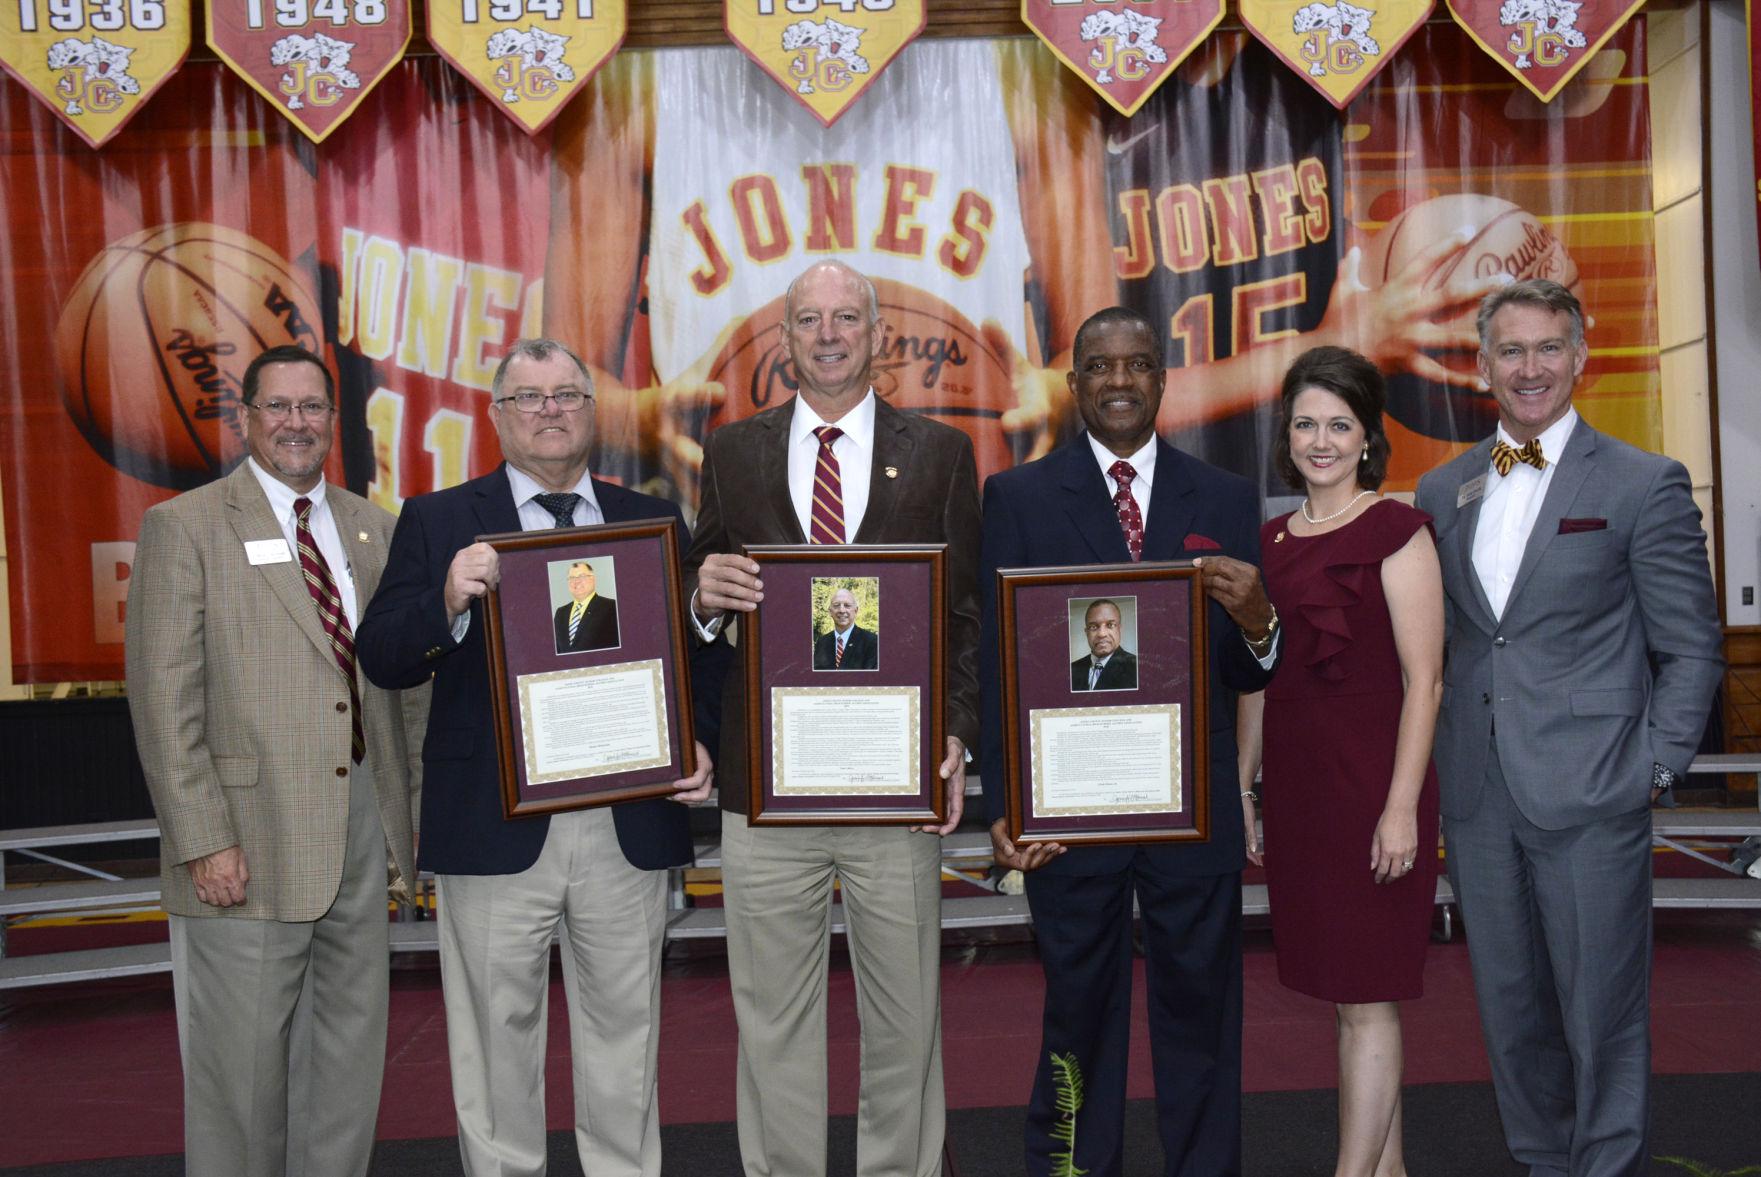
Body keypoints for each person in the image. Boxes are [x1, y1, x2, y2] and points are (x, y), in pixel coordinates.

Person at [355, 338, 715, 1177]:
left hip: (626, 820)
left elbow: (694, 658)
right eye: (529, 396)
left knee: (626, 1034)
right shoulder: (438, 519)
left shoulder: (650, 519)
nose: (549, 411)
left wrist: (697, 739)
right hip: (493, 824)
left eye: (566, 395)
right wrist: (447, 598)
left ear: (592, 411)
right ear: (497, 414)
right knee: (494, 1042)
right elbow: (382, 654)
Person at [1414, 279, 1723, 1177]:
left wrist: (1655, 767)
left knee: (1601, 1012)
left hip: (1594, 790)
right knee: (1509, 1013)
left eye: (1548, 347)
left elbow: (1691, 647)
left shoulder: (1641, 481)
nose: (1530, 367)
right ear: (1481, 367)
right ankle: (1543, 1162)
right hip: (1478, 795)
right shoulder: (1442, 488)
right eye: (1509, 350)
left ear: (1579, 356)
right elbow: (1451, 641)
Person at [684, 259, 978, 1177]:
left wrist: (955, 733)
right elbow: (699, 587)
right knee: (771, 1018)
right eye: (808, 319)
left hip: (895, 783)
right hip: (766, 788)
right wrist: (702, 596)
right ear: (783, 338)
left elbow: (963, 615)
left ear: (877, 333)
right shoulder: (731, 450)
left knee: (905, 1016)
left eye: (845, 317)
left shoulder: (940, 452)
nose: (827, 335)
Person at [978, 307, 1281, 1176]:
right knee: (1076, 1018)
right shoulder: (1018, 497)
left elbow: (1244, 668)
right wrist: (1006, 804)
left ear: (1161, 379)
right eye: (1101, 366)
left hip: (1191, 808)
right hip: (1067, 811)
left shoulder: (1223, 497)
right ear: (1073, 383)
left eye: (1137, 364)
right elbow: (1000, 665)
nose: (1119, 380)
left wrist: (1259, 621)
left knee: (1202, 1019)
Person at [124, 344, 427, 1177]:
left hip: (362, 832)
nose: (297, 422)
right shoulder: (184, 526)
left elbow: (403, 689)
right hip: (245, 842)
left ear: (334, 419)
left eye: (312, 406)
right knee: (242, 1077)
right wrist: (202, 839)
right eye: (279, 406)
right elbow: (162, 700)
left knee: (347, 1059)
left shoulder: (376, 528)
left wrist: (409, 818)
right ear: (246, 417)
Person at [1237, 346, 1444, 1177]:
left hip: (1372, 791)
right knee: (1348, 999)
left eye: (1338, 425)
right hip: (1300, 796)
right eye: (1304, 425)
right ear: (1285, 438)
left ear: (1366, 438)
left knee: (1366, 999)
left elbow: (1425, 682)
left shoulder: (1398, 532)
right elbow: (1257, 676)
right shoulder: (1267, 542)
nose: (1320, 441)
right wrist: (1244, 784)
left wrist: (1399, 807)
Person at [1070, 598, 1137, 691]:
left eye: (1110, 625)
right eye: (1093, 627)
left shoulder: (1136, 667)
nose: (1102, 634)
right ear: (1086, 632)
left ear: (1119, 629)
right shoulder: (1071, 669)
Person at [553, 559, 619, 653]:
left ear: (593, 579)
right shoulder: (560, 613)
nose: (576, 581)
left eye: (582, 576)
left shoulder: (612, 607)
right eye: (572, 578)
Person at [812, 587, 877, 670]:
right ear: (830, 611)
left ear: (856, 610)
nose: (842, 610)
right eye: (836, 605)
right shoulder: (822, 642)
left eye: (847, 605)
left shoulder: (872, 642)